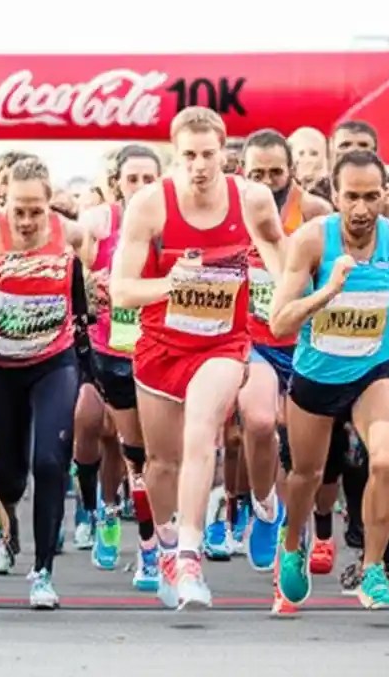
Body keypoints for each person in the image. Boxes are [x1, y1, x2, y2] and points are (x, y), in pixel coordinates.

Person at [110, 106, 287, 609]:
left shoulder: (250, 200)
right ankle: (167, 545)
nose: (200, 165)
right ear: (175, 155)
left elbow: (280, 253)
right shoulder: (150, 205)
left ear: (225, 152)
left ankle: (190, 555)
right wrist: (172, 283)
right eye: (188, 155)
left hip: (222, 346)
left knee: (200, 433)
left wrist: (292, 298)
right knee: (160, 463)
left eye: (209, 154)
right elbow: (122, 291)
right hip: (161, 346)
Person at [269, 148, 389, 611]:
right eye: (351, 198)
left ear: (384, 195)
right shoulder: (311, 241)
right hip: (316, 376)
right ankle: (291, 547)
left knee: (386, 463)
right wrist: (327, 291)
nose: (361, 209)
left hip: (371, 372)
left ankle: (373, 569)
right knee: (307, 475)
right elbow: (279, 323)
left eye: (371, 197)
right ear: (335, 197)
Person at [0, 157, 91, 609]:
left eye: (37, 210)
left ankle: (44, 571)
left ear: (50, 204)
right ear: (4, 203)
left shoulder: (69, 234)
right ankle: (8, 521)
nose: (28, 221)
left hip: (54, 360)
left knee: (51, 461)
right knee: (10, 475)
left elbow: (79, 292)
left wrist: (86, 332)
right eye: (19, 210)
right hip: (0, 365)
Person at [236, 129, 333, 571]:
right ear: (243, 172)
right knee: (258, 421)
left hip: (305, 341)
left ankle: (299, 518)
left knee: (301, 446)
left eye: (277, 172)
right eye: (258, 173)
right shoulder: (231, 210)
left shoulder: (314, 213)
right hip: (254, 339)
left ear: (292, 170)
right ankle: (263, 508)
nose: (268, 181)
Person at [76, 144, 161, 582]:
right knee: (108, 435)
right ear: (117, 185)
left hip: (159, 351)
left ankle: (156, 543)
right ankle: (109, 513)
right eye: (133, 180)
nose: (142, 188)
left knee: (149, 455)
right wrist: (91, 281)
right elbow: (70, 264)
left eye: (150, 180)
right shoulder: (99, 222)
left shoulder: (172, 224)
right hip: (106, 351)